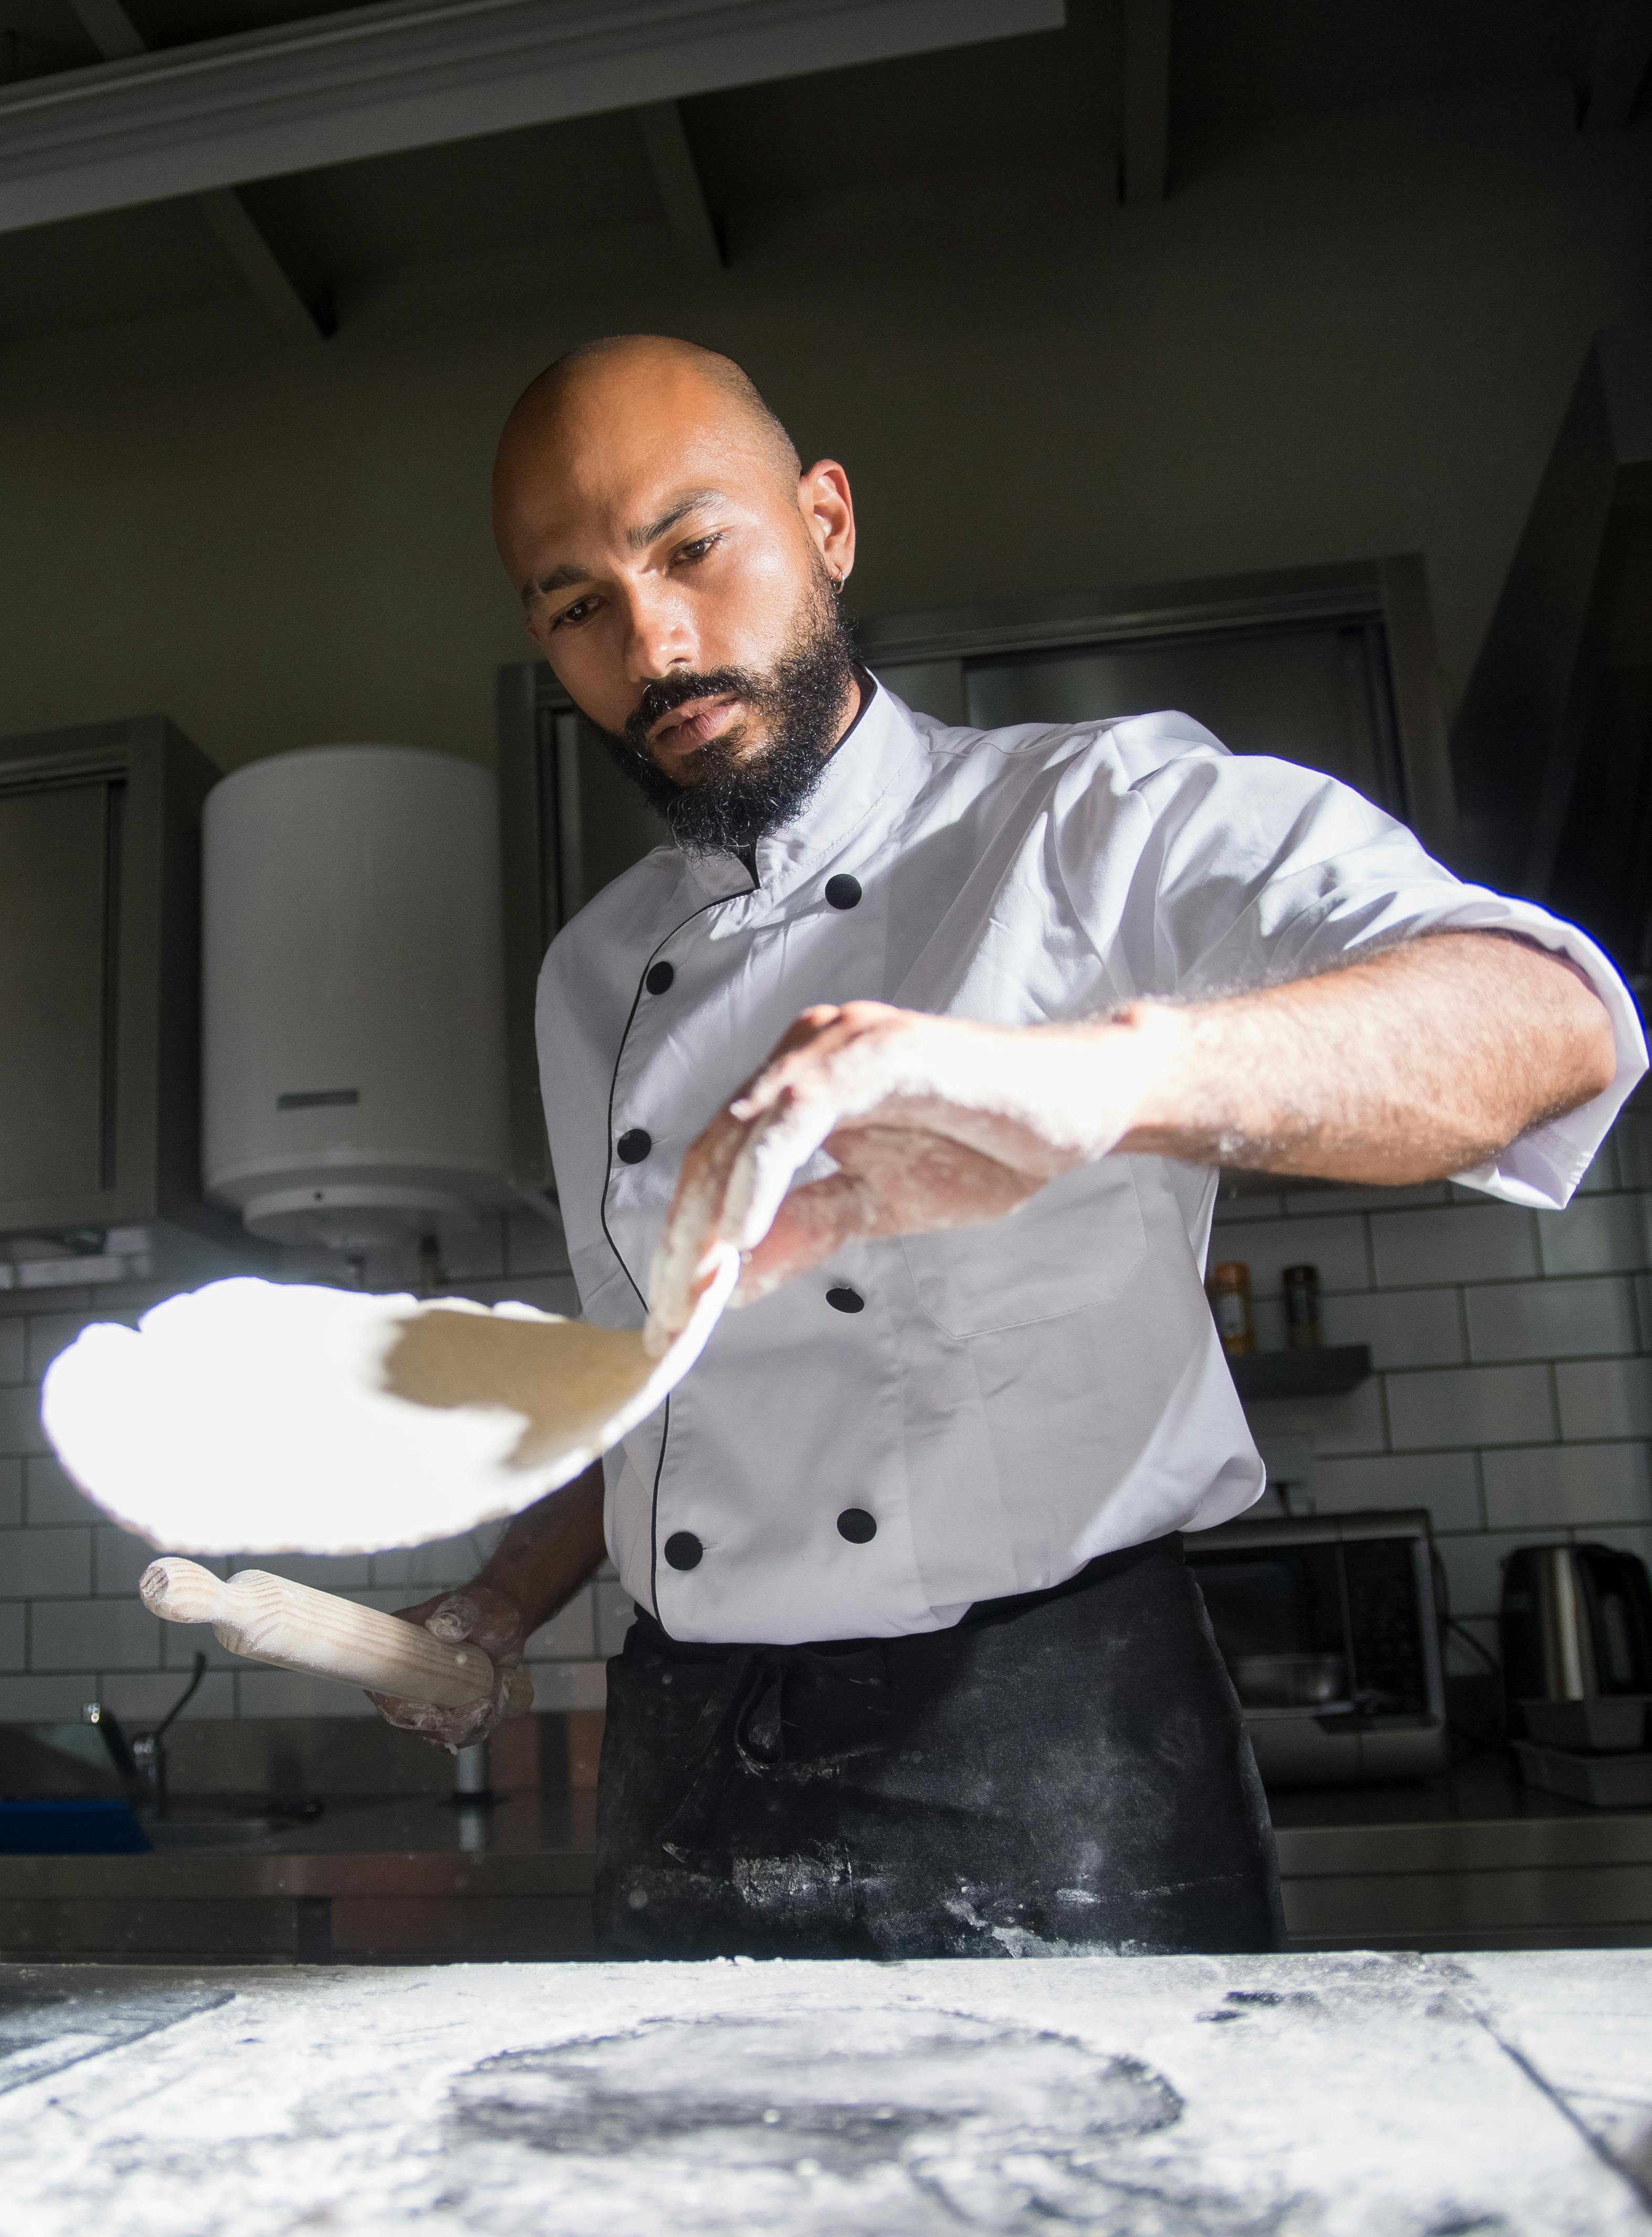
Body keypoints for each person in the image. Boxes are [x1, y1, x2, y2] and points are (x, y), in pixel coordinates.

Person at [378, 333, 1639, 1959]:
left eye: (694, 547)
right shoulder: (591, 976)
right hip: (685, 1775)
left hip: (1052, 1766)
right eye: (577, 605)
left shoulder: (1095, 818)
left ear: (827, 520)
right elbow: (663, 1381)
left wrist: (1109, 1081)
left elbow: (1549, 1024)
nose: (658, 643)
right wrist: (499, 1603)